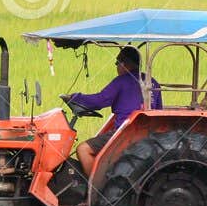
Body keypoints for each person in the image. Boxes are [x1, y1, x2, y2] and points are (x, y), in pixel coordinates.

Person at [68, 46, 161, 177]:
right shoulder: (153, 83)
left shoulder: (121, 81)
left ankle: (95, 188)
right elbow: (158, 110)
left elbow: (99, 101)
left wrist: (75, 97)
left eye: (117, 63)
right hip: (146, 134)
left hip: (124, 134)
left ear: (124, 63)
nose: (117, 67)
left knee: (83, 149)